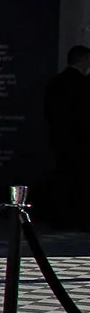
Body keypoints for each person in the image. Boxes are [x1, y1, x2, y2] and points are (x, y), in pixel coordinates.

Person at [45, 45, 90, 227]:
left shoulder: (55, 82)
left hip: (60, 140)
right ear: (84, 58)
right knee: (80, 181)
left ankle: (62, 218)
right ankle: (79, 218)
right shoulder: (83, 84)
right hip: (82, 141)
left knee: (63, 178)